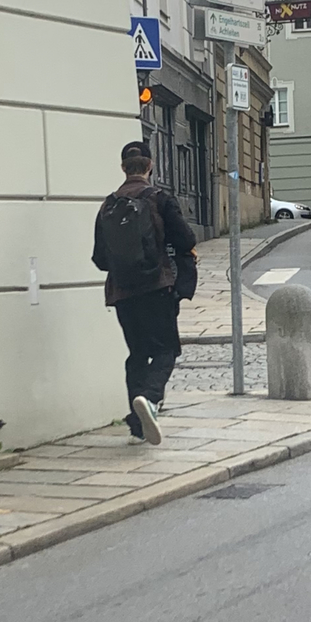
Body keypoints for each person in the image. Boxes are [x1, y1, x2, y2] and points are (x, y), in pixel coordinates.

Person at [92, 141, 197, 445]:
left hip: (121, 292)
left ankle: (138, 425)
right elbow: (186, 238)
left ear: (124, 168)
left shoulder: (109, 204)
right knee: (166, 349)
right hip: (156, 287)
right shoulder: (158, 198)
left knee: (137, 354)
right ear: (150, 166)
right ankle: (149, 399)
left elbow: (100, 259)